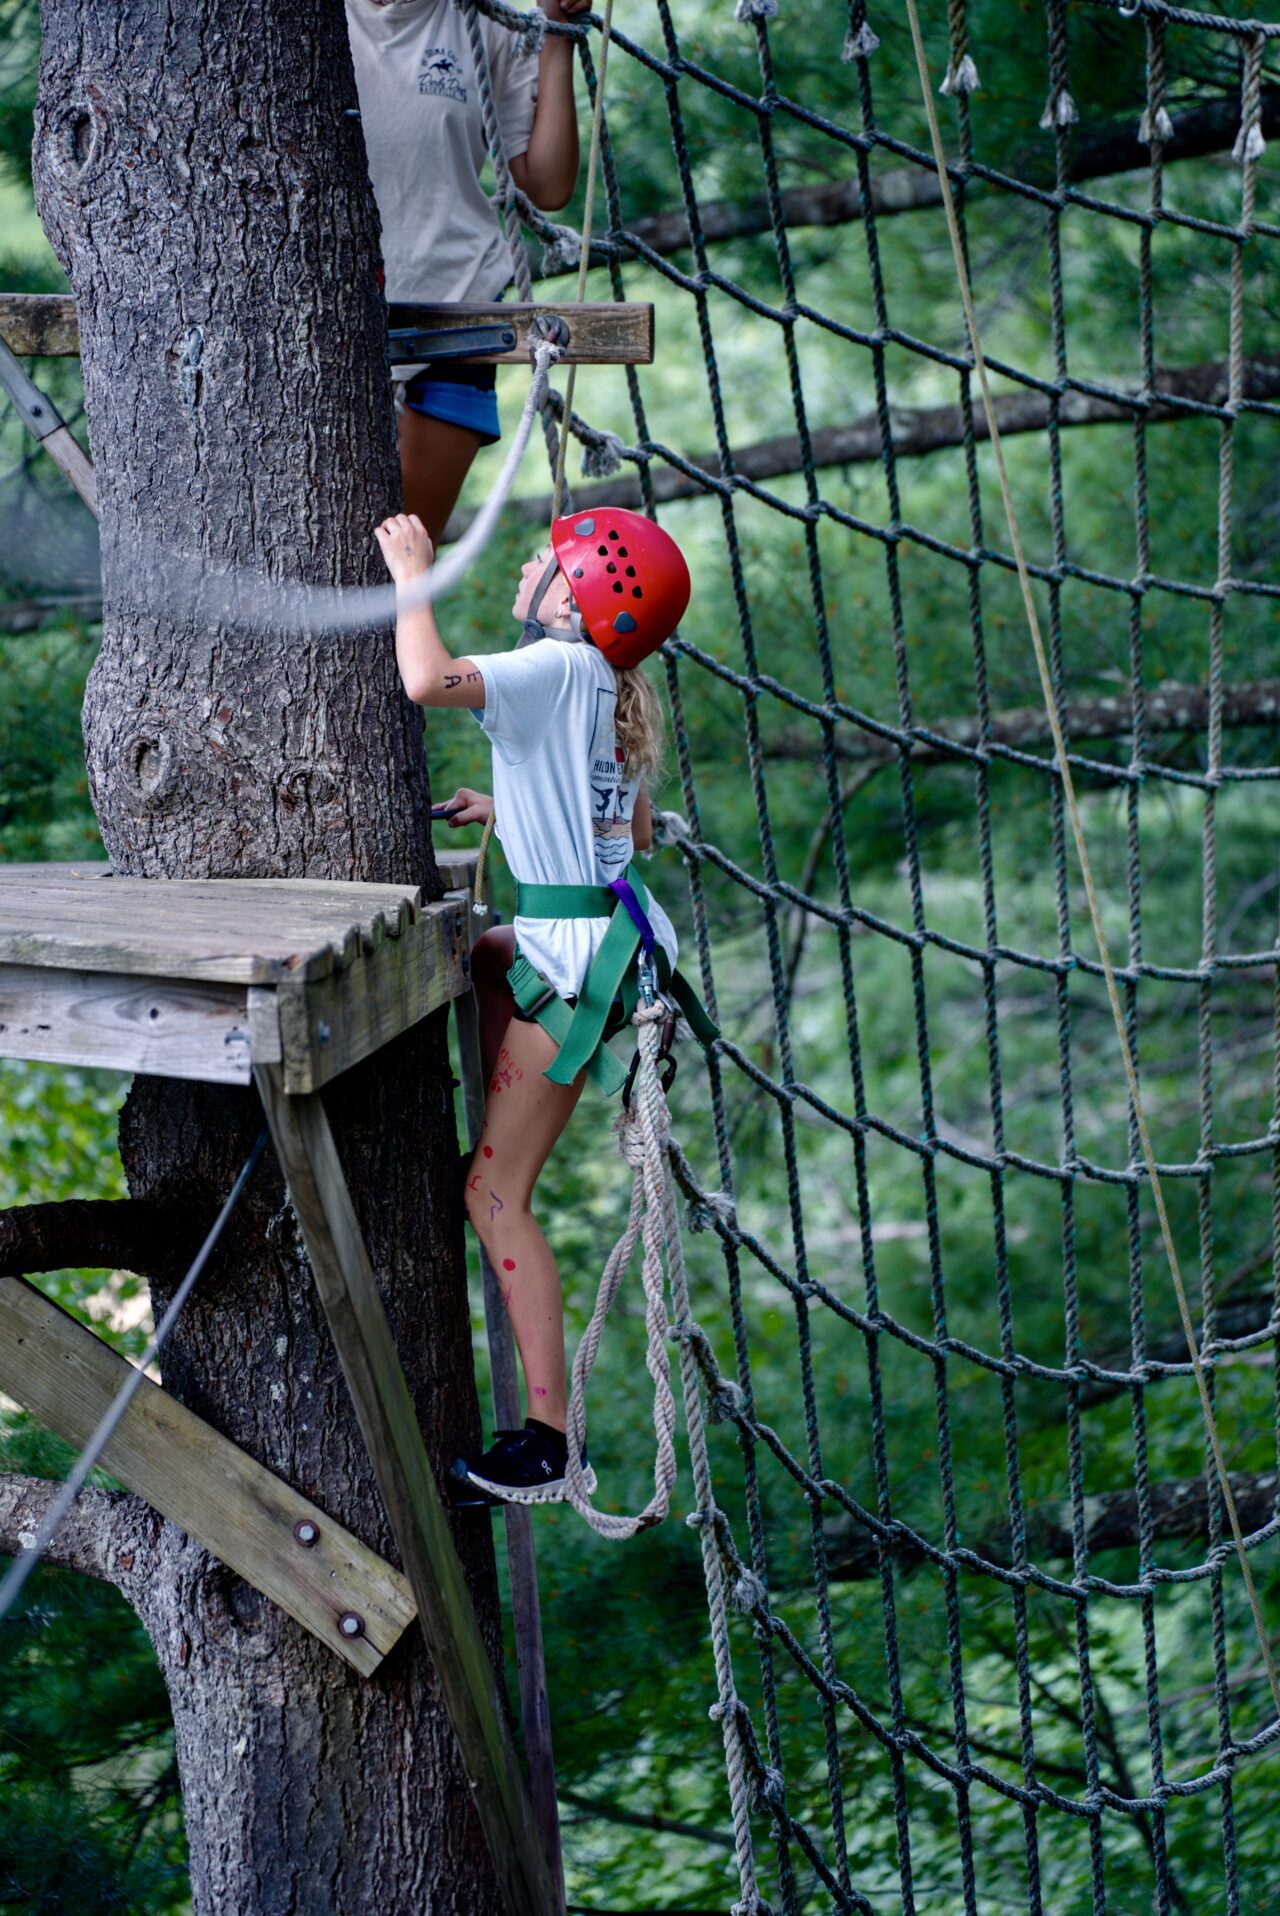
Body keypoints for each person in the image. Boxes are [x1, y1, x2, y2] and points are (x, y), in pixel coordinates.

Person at [373, 506, 716, 1505]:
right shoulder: (608, 684)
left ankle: (549, 1440)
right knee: (486, 955)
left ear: (576, 595)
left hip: (577, 970)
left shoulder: (558, 668)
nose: (529, 564)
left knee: (491, 1198)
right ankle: (497, 1133)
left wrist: (412, 573)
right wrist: (510, 806)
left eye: (550, 561)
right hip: (607, 948)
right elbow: (629, 820)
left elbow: (423, 679)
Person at [348, 0, 590, 543]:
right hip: (327, 308)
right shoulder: (292, 21)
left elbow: (548, 183)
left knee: (394, 564)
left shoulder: (482, 20)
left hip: (455, 300)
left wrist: (559, 34)